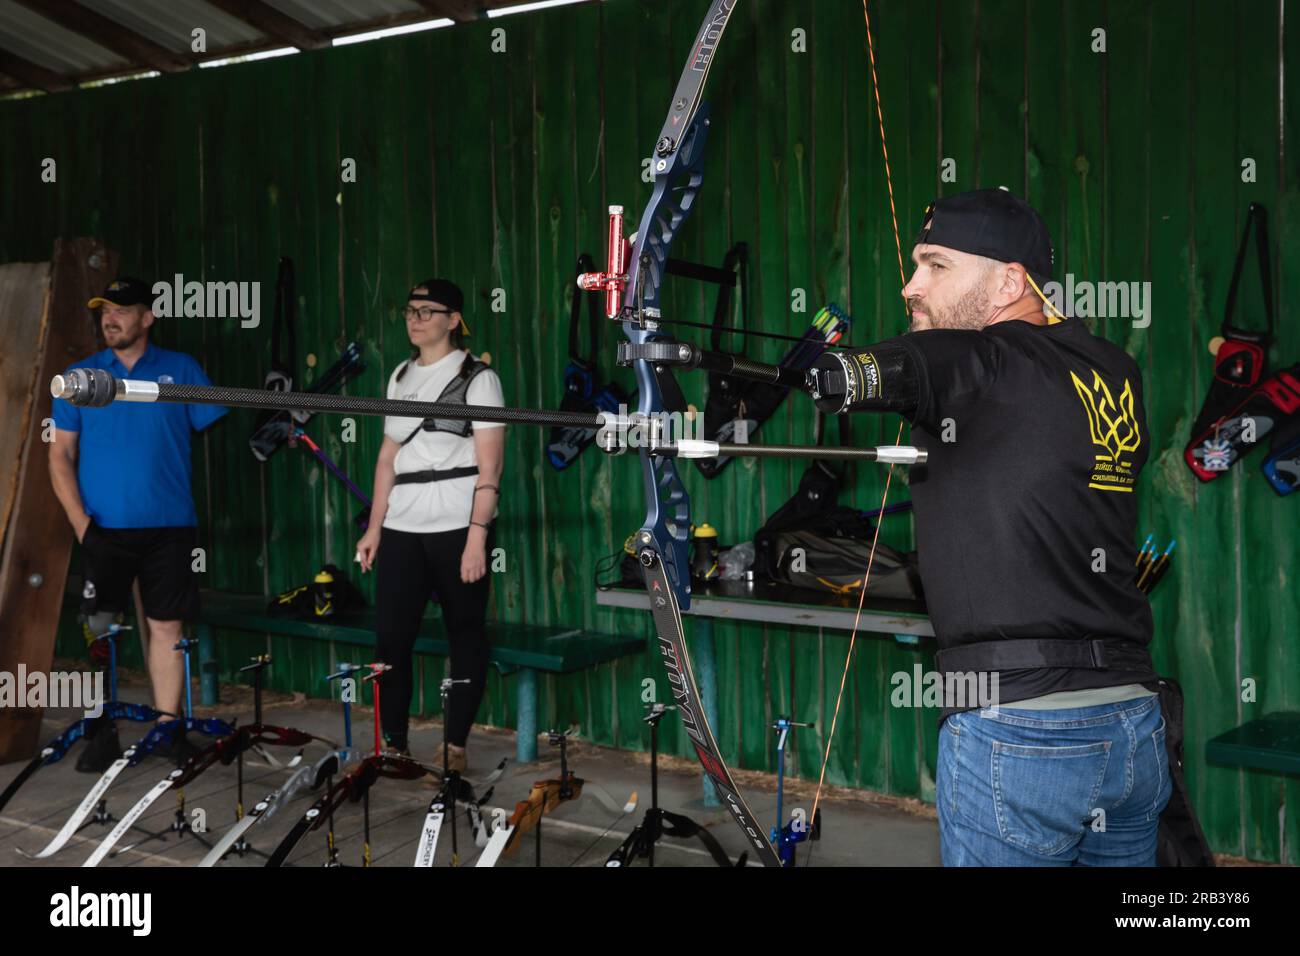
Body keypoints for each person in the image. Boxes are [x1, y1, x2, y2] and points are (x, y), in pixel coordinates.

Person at [811, 188, 1171, 865]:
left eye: (936, 266)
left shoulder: (983, 360)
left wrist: (829, 373)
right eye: (915, 265)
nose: (911, 285)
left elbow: (902, 368)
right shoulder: (1114, 370)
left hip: (1022, 731)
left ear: (1010, 280)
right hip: (1133, 723)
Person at [49, 276, 227, 762]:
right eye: (105, 309)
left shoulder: (181, 368)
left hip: (170, 526)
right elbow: (60, 457)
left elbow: (212, 421)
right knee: (101, 630)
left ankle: (168, 729)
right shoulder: (80, 377)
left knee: (167, 627)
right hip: (103, 527)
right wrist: (82, 524)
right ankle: (101, 730)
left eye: (123, 309)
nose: (111, 317)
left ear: (147, 317)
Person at [355, 279, 505, 774]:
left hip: (458, 525)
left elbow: (490, 468)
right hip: (403, 523)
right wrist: (375, 527)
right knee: (391, 637)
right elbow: (385, 458)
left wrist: (476, 538)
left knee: (464, 632)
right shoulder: (399, 375)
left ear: (453, 320)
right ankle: (393, 743)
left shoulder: (478, 378)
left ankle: (455, 745)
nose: (414, 318)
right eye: (410, 309)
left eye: (427, 310)